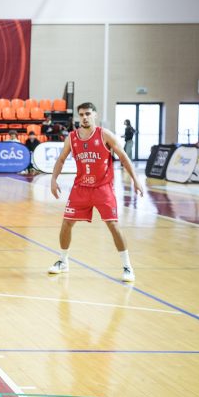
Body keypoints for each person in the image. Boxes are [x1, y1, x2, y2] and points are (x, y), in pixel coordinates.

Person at [48, 102, 144, 282]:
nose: (84, 117)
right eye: (81, 114)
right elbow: (61, 160)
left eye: (88, 114)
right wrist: (53, 179)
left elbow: (123, 157)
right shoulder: (72, 138)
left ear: (95, 115)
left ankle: (127, 266)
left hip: (103, 188)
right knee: (66, 223)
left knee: (113, 225)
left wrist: (136, 180)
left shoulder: (105, 135)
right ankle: (63, 261)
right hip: (81, 188)